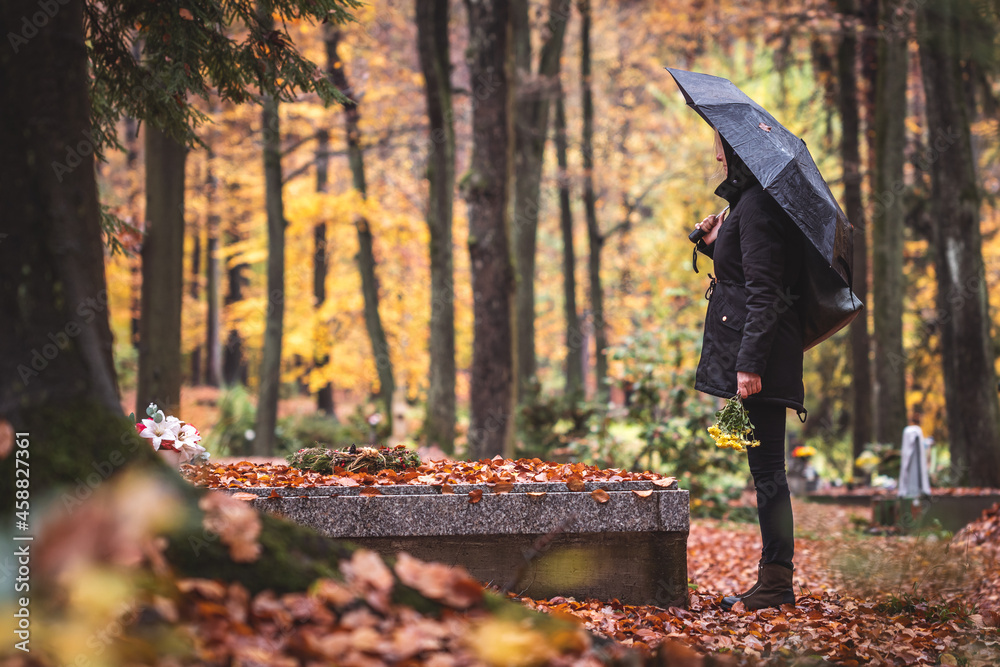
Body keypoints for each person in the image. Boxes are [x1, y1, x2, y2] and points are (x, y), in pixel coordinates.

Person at [693, 130, 805, 611]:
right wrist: (710, 241)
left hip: (763, 360)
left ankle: (777, 584)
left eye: (721, 146)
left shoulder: (758, 207)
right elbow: (739, 274)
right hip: (758, 356)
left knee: (769, 476)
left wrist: (749, 367)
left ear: (738, 152)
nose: (717, 154)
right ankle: (774, 581)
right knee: (766, 474)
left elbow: (765, 292)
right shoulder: (747, 206)